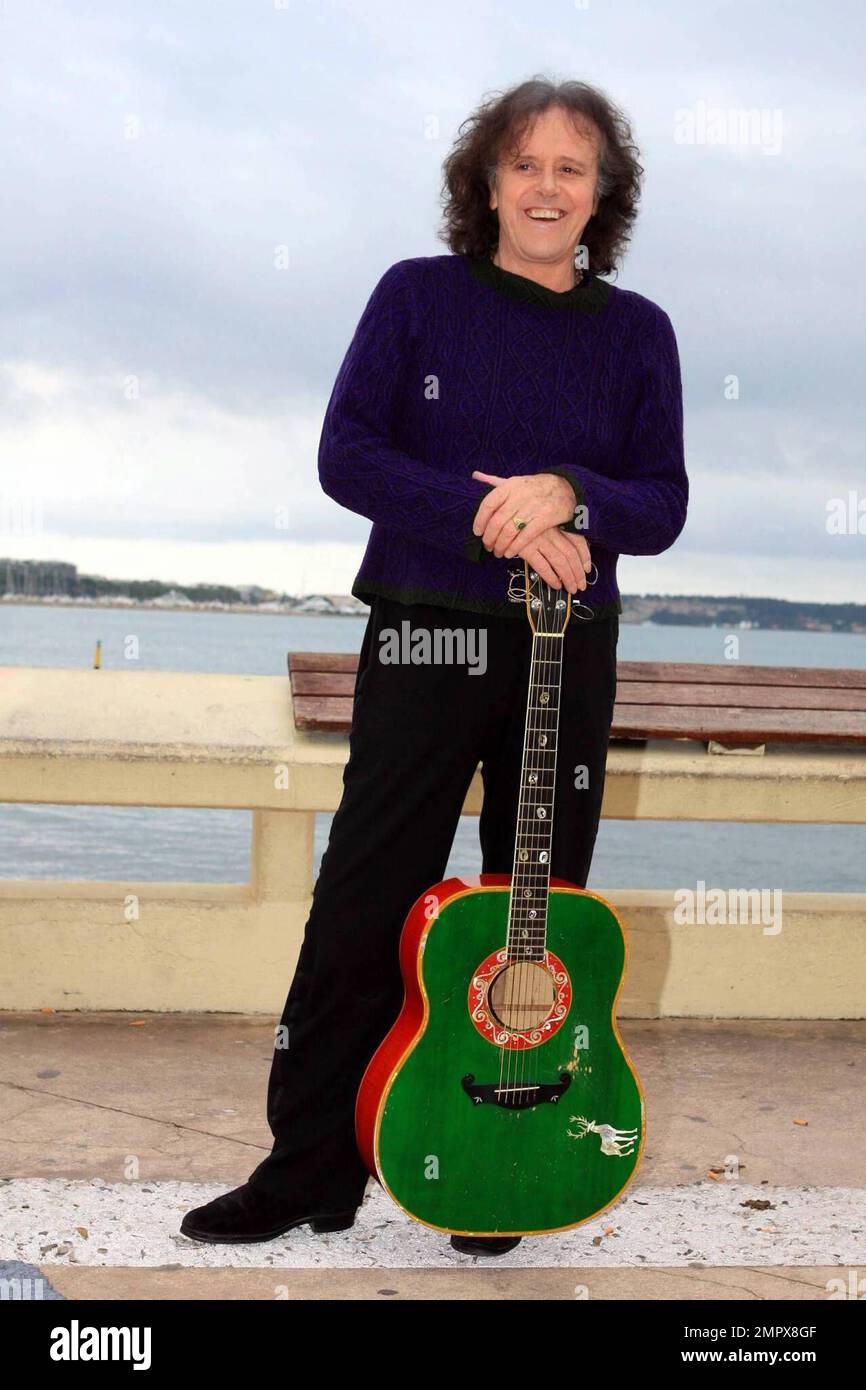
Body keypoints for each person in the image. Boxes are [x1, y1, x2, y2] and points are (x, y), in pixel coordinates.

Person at [180, 76, 687, 1257]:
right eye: (524, 165)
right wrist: (495, 521)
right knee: (367, 891)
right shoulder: (416, 297)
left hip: (571, 642)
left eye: (571, 167)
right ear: (486, 181)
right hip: (427, 628)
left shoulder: (638, 333)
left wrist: (574, 496)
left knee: (537, 912)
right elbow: (345, 453)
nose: (546, 187)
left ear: (600, 191)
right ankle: (308, 1164)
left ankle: (494, 1155)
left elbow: (656, 505)